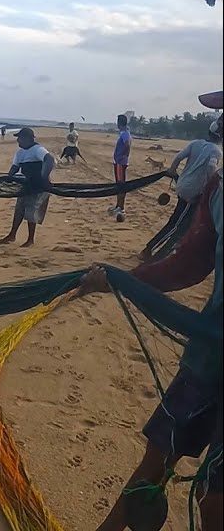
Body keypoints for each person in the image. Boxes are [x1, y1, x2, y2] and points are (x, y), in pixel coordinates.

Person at [86, 170, 221, 531]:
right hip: (209, 354)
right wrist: (125, 280)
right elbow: (189, 264)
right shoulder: (219, 186)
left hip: (207, 348)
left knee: (216, 500)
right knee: (158, 455)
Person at [142, 115, 222, 260]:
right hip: (193, 193)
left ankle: (171, 250)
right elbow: (211, 166)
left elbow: (178, 157)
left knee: (185, 222)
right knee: (177, 224)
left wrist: (172, 171)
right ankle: (151, 249)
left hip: (182, 186)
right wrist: (213, 183)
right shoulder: (216, 151)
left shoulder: (195, 143)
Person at [0, 128, 54, 248]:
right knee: (19, 210)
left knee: (31, 211)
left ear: (28, 138)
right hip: (26, 185)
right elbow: (15, 167)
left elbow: (49, 160)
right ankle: (12, 235)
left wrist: (44, 177)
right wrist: (9, 177)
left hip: (38, 187)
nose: (18, 140)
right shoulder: (20, 153)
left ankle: (30, 239)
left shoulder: (38, 150)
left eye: (20, 138)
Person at [113, 114, 133, 219]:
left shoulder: (125, 134)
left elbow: (127, 145)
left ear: (119, 123)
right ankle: (118, 205)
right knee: (118, 185)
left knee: (121, 185)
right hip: (119, 162)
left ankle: (121, 207)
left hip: (121, 163)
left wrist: (123, 156)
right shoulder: (124, 133)